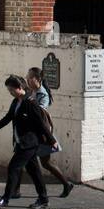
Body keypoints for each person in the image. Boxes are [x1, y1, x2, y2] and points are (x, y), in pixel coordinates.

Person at [0, 75, 54, 209]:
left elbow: (41, 124)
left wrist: (52, 141)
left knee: (13, 168)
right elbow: (6, 119)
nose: (11, 93)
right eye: (9, 91)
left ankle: (5, 199)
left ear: (20, 88)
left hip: (29, 143)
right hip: (21, 143)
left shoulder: (31, 103)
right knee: (34, 171)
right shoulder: (16, 102)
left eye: (12, 90)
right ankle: (43, 199)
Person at [26, 67, 73, 198]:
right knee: (41, 163)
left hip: (42, 134)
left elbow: (40, 112)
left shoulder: (42, 94)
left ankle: (65, 185)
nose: (28, 80)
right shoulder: (32, 92)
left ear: (38, 79)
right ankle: (65, 184)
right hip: (35, 133)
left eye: (30, 78)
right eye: (27, 78)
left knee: (44, 163)